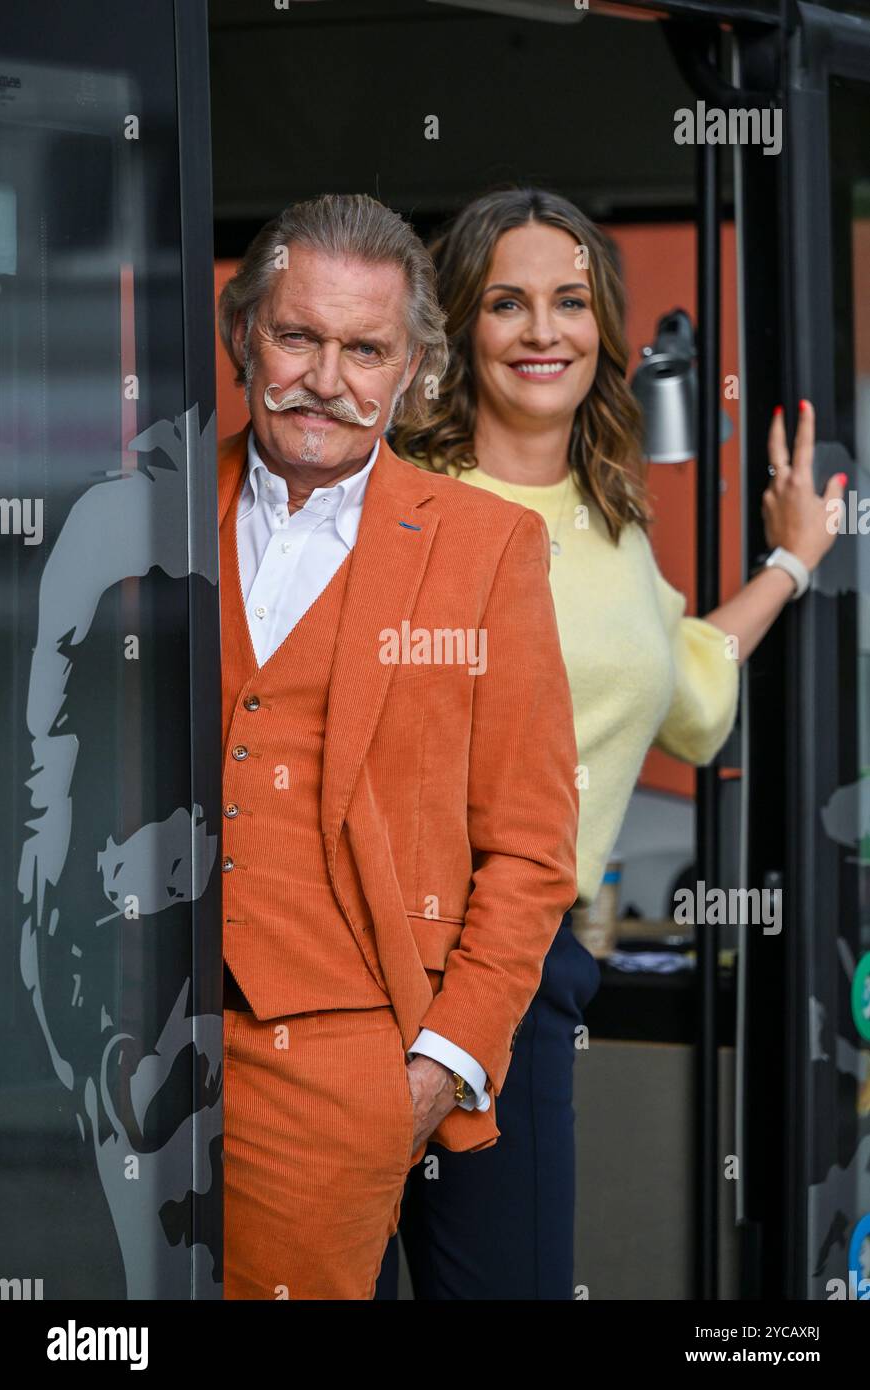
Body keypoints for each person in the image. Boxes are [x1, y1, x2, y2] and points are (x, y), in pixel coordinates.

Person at [376, 186, 845, 1301]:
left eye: (571, 302)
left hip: (529, 974)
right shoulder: (401, 503)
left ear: (604, 328)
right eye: (508, 303)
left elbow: (685, 685)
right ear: (459, 326)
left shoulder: (610, 516)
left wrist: (791, 563)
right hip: (385, 964)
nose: (545, 331)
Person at [215, 191, 579, 1299]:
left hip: (339, 1061)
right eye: (298, 336)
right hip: (126, 1050)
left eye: (365, 348)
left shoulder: (484, 550)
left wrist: (439, 1066)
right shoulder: (145, 502)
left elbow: (531, 848)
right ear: (245, 337)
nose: (327, 378)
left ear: (411, 367)